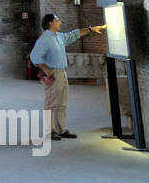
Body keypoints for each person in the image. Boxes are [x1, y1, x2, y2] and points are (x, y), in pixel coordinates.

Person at [30, 13, 105, 141]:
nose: (60, 22)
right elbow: (34, 56)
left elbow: (73, 35)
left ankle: (61, 129)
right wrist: (46, 69)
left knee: (62, 103)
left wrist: (91, 29)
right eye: (57, 20)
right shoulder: (44, 39)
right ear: (50, 24)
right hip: (53, 74)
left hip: (62, 73)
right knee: (51, 103)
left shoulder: (58, 37)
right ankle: (51, 130)